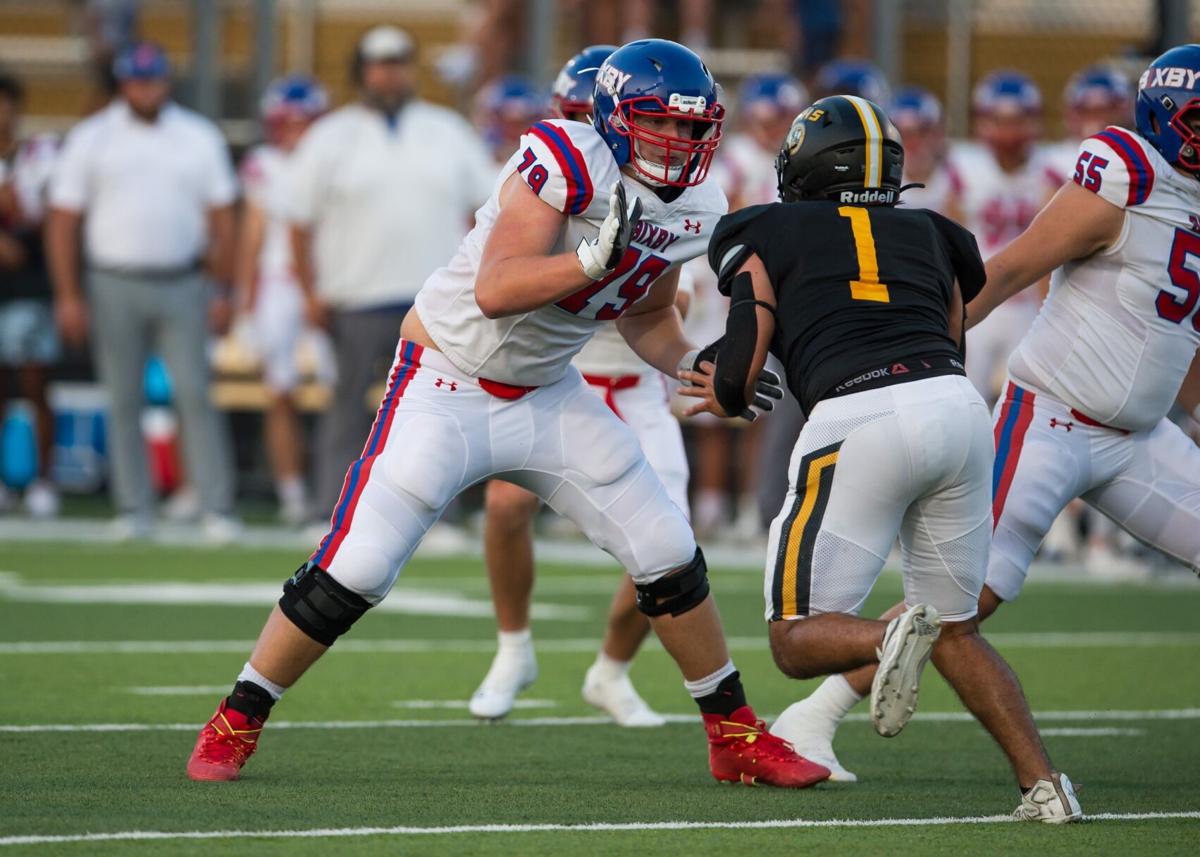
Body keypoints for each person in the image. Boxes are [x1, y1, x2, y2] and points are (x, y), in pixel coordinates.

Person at [185, 39, 829, 790]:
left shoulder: (697, 204)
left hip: (548, 390)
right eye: (663, 122)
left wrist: (694, 363)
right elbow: (496, 287)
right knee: (355, 568)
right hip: (444, 383)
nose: (681, 142)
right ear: (617, 116)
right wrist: (590, 261)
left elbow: (647, 317)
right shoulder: (563, 154)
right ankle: (238, 715)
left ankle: (734, 734)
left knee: (666, 546)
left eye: (694, 128)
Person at [773, 45, 1200, 803]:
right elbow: (1005, 269)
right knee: (965, 600)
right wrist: (916, 352)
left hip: (1142, 436)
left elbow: (1181, 336)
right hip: (1051, 419)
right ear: (1165, 118)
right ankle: (814, 714)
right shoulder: (1127, 176)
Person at [679, 93, 1081, 822]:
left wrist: (723, 393)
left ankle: (887, 632)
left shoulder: (762, 227)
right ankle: (1045, 786)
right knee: (957, 626)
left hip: (854, 414)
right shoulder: (937, 232)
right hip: (958, 412)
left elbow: (741, 373)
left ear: (804, 168)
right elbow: (952, 339)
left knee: (795, 639)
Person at [470, 45, 679, 727]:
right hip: (561, 365)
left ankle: (612, 668)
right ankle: (512, 646)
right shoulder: (544, 167)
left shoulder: (680, 188)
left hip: (638, 373)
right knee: (505, 504)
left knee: (670, 537)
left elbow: (665, 300)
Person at [288, 26, 495, 532]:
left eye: (399, 61)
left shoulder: (447, 129)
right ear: (362, 71)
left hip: (435, 300)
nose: (390, 72)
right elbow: (298, 219)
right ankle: (331, 512)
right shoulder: (330, 135)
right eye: (380, 63)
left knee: (436, 412)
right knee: (348, 410)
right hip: (355, 294)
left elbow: (488, 210)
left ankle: (436, 517)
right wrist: (309, 289)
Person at [45, 42, 239, 542]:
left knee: (195, 393)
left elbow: (223, 218)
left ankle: (214, 504)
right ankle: (134, 506)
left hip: (183, 278)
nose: (145, 88)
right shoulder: (93, 137)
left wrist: (223, 287)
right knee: (123, 396)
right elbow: (64, 220)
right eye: (136, 80)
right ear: (123, 82)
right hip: (113, 278)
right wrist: (67, 294)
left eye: (153, 79)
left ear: (166, 82)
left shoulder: (196, 135)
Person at [692, 73, 808, 541]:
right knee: (717, 408)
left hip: (778, 297)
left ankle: (750, 507)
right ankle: (711, 506)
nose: (771, 128)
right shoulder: (735, 163)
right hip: (731, 290)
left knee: (761, 408)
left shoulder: (798, 162)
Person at [234, 75, 331, 526]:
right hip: (277, 281)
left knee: (340, 391)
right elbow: (252, 236)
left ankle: (338, 488)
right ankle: (292, 491)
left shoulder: (335, 160)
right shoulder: (265, 163)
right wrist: (246, 304)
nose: (292, 131)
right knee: (281, 391)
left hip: (330, 279)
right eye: (285, 122)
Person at [945, 71, 1050, 405]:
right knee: (963, 399)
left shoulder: (1050, 170)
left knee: (1023, 404)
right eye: (1000, 121)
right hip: (979, 298)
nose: (1008, 131)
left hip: (1027, 304)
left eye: (1017, 121)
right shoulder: (964, 167)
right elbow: (948, 238)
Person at [0, 73, 60, 518]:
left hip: (31, 285)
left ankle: (43, 478)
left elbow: (39, 218)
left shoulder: (39, 156)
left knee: (36, 383)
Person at [1043, 65, 1134, 187]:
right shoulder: (1055, 160)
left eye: (1104, 110)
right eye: (1086, 111)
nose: (1095, 119)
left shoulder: (1138, 153)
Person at [891, 86, 953, 215]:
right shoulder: (879, 183)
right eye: (903, 134)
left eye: (922, 132)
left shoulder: (959, 176)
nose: (913, 143)